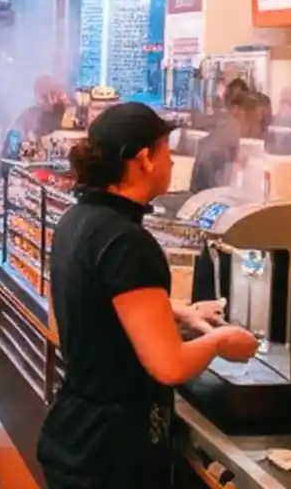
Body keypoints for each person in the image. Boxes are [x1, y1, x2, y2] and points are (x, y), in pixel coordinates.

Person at [37, 102, 259, 488]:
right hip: (112, 452)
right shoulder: (128, 241)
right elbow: (169, 366)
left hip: (75, 432)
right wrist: (222, 340)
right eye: (167, 150)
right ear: (144, 159)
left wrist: (180, 313)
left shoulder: (78, 220)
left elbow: (99, 302)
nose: (172, 162)